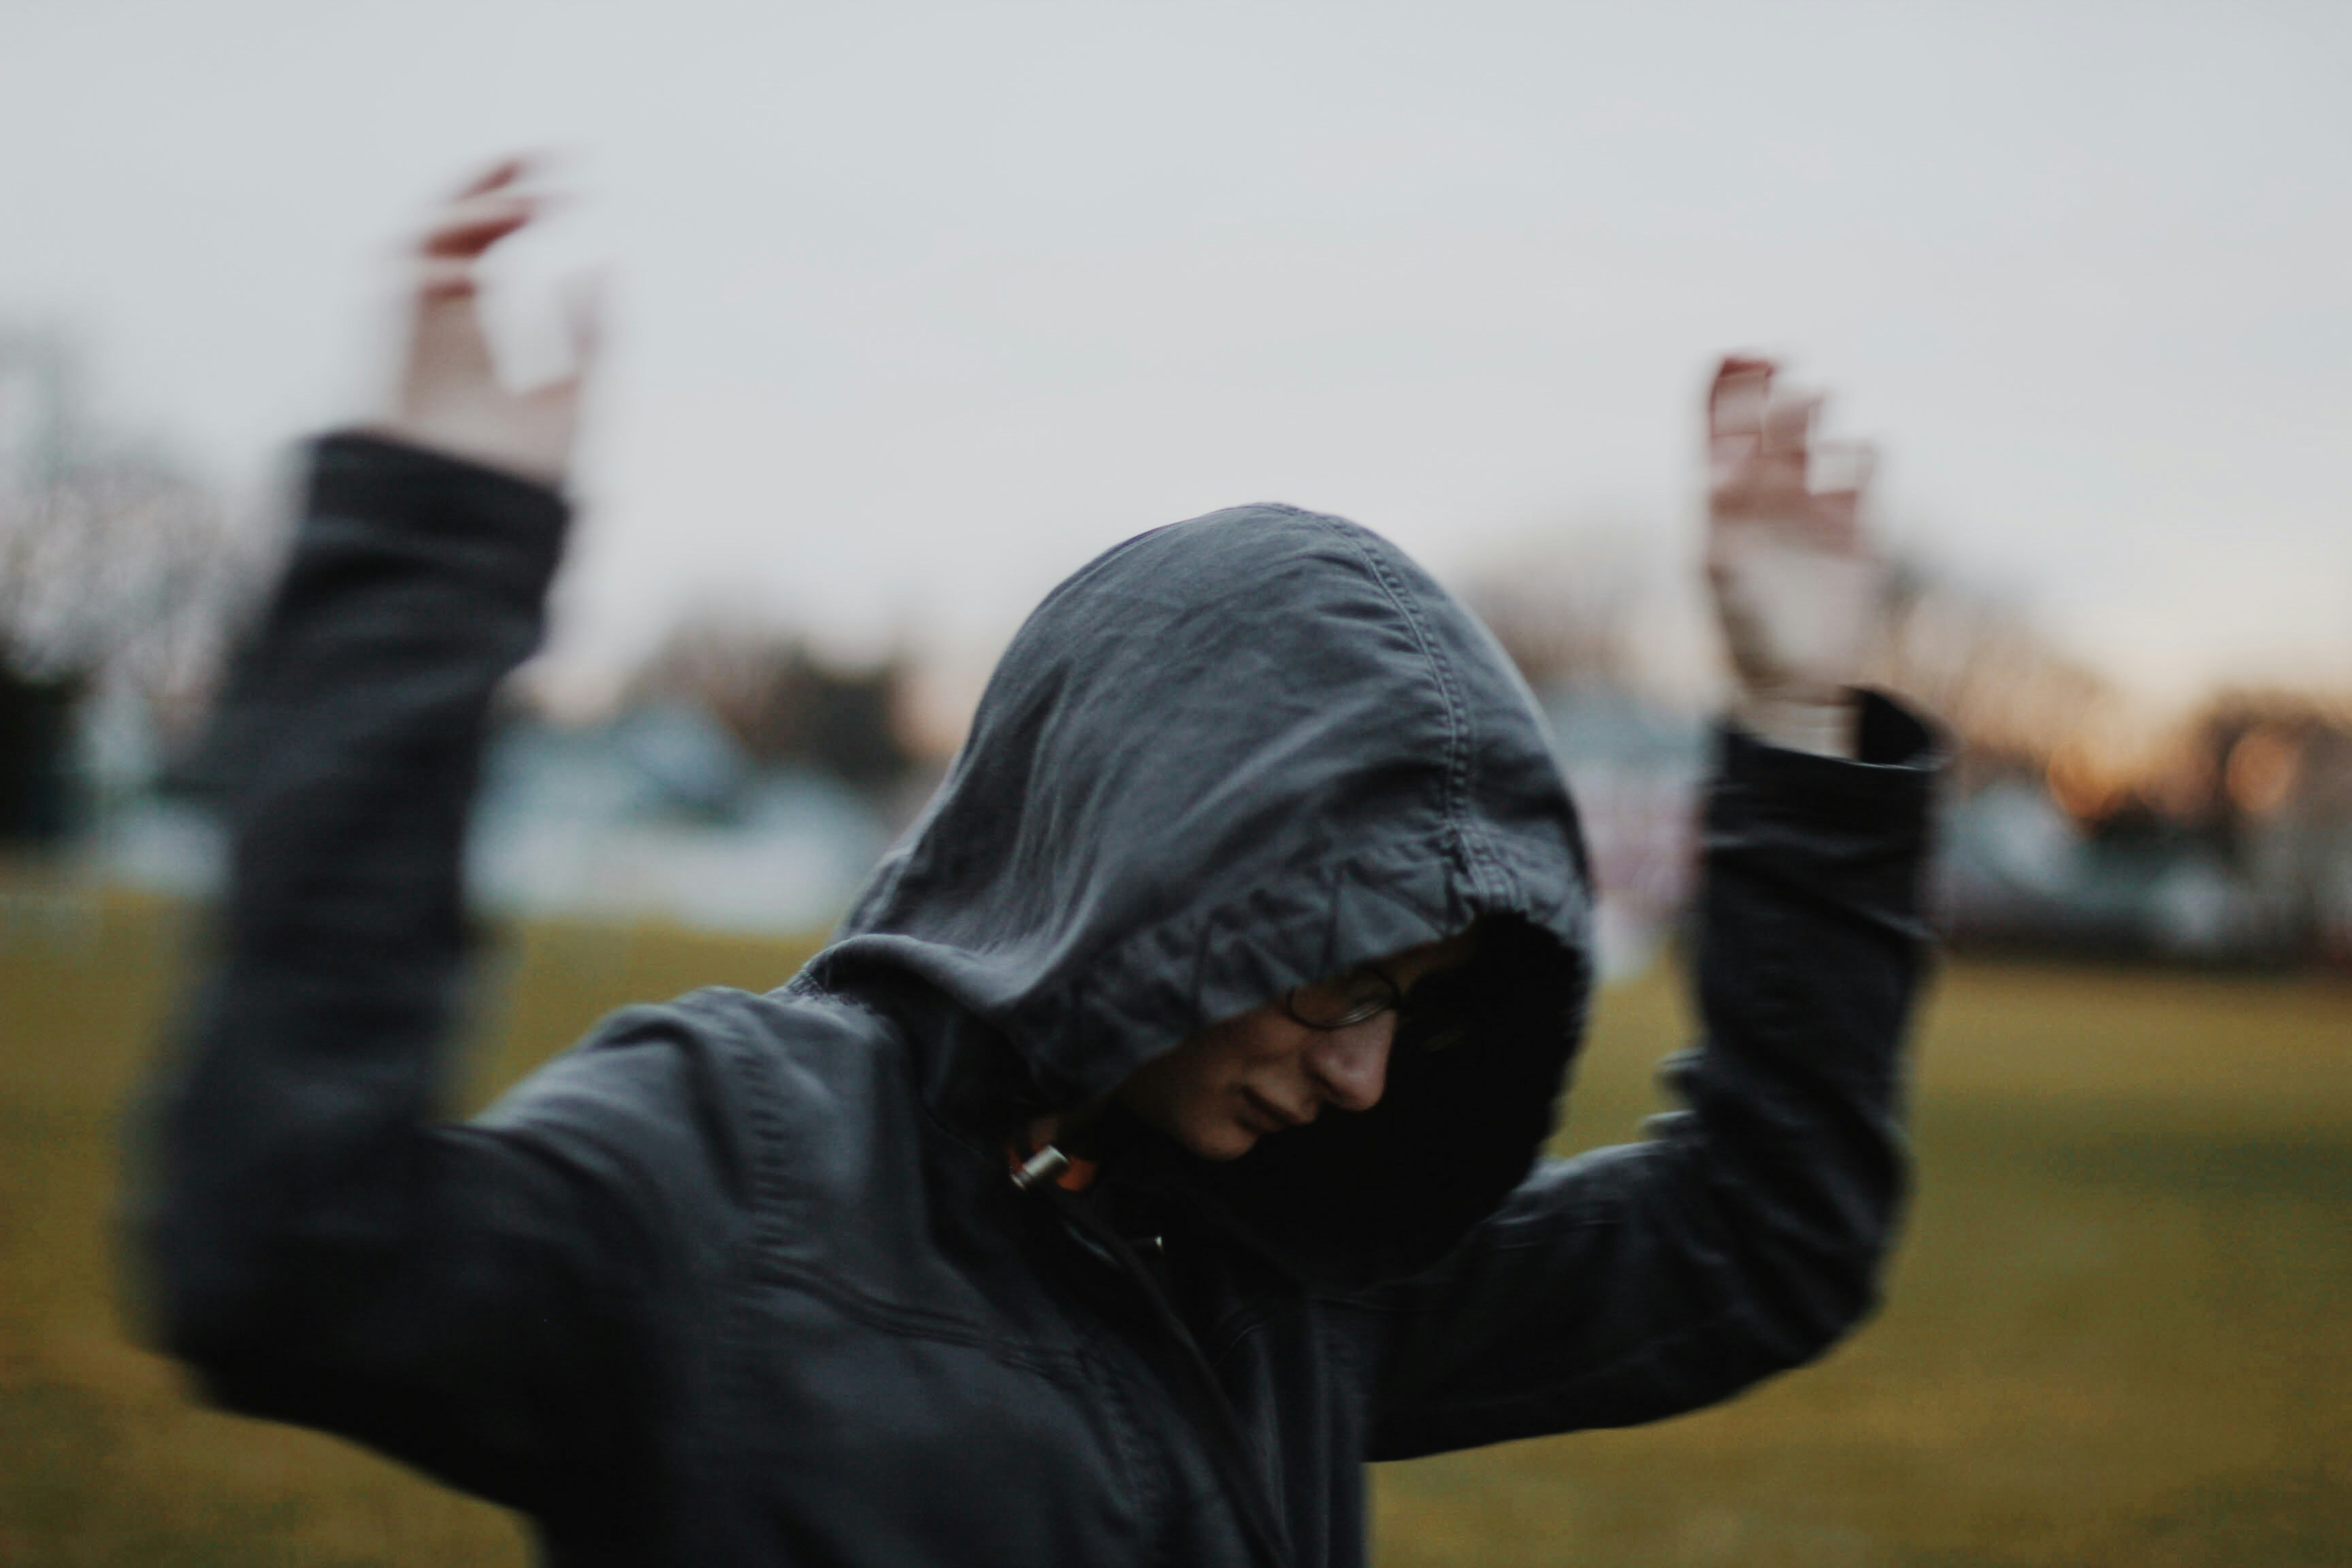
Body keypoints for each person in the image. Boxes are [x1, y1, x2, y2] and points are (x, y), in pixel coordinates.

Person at [137, 160, 1940, 1567]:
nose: (1369, 1076)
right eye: (1341, 976)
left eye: (1424, 1013)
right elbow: (292, 1266)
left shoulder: (1299, 1264)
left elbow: (1755, 1241)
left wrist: (1804, 723)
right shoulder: (727, 1168)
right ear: (1172, 868)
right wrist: (424, 561)